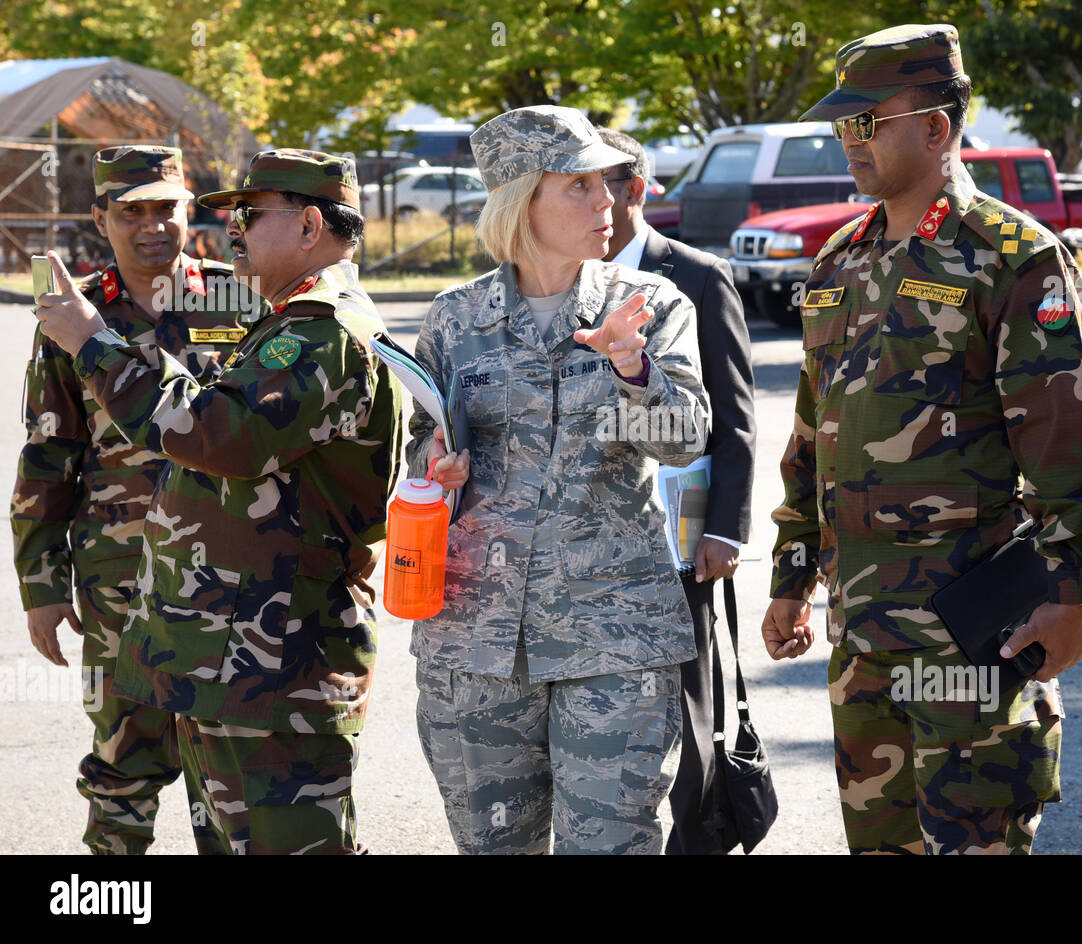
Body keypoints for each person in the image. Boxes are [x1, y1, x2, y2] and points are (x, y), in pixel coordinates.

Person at [762, 24, 1082, 854]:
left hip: (973, 642)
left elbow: (1066, 449)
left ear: (935, 126)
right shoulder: (838, 263)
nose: (848, 141)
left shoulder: (1013, 258)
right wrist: (791, 572)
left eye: (866, 122)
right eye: (842, 125)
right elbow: (812, 436)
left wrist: (1076, 594)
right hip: (862, 643)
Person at [32, 148, 404, 855]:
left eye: (250, 214)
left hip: (275, 670)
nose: (232, 228)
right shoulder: (285, 318)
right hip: (228, 663)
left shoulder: (318, 331)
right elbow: (50, 454)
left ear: (308, 225)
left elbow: (217, 435)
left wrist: (93, 344)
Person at [408, 105, 710, 855]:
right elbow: (418, 450)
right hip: (475, 647)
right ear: (521, 199)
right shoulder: (454, 319)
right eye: (578, 186)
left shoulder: (649, 306)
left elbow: (685, 442)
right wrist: (436, 466)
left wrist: (631, 368)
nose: (606, 202)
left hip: (613, 643)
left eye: (606, 183)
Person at [11, 145, 246, 854]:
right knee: (122, 763)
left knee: (228, 772)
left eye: (164, 208)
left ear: (189, 208)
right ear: (100, 217)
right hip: (120, 583)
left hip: (227, 578)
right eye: (130, 211)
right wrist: (41, 586)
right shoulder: (74, 315)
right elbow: (49, 456)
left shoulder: (235, 296)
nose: (151, 225)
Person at [597, 125, 757, 854]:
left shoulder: (694, 274)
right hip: (592, 544)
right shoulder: (556, 277)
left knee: (689, 703)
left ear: (635, 190)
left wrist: (726, 530)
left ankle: (697, 838)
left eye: (595, 183)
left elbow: (735, 415)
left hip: (679, 536)